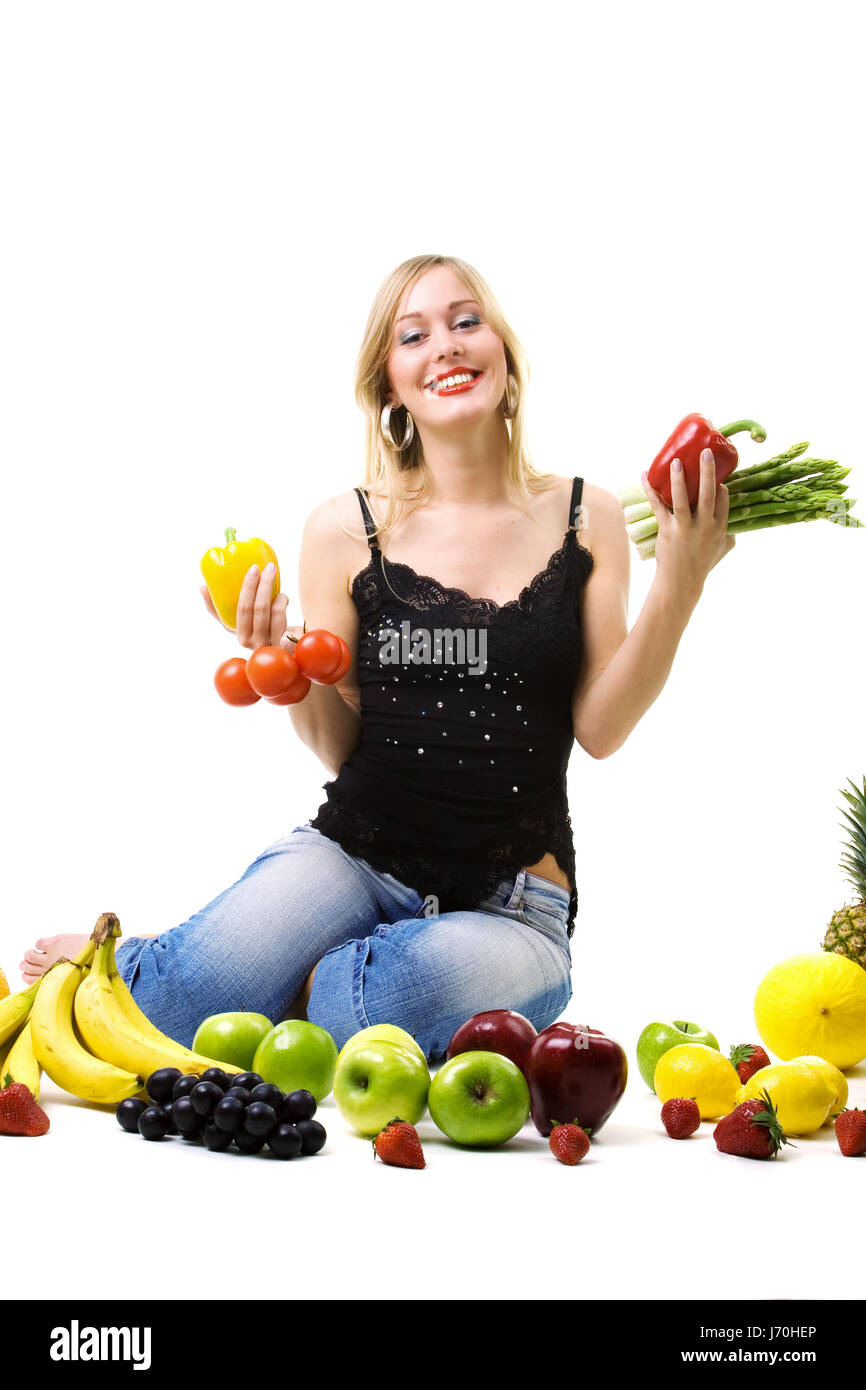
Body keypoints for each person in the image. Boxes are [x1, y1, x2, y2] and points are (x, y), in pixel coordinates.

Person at [19, 254, 734, 1060]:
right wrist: (274, 655)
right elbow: (335, 742)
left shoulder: (586, 517)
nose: (448, 346)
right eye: (414, 335)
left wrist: (681, 582)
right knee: (187, 1009)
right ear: (391, 383)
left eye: (467, 322)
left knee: (366, 1013)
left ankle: (252, 963)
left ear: (502, 351)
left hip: (513, 904)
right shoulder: (343, 528)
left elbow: (600, 731)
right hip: (356, 856)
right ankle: (194, 964)